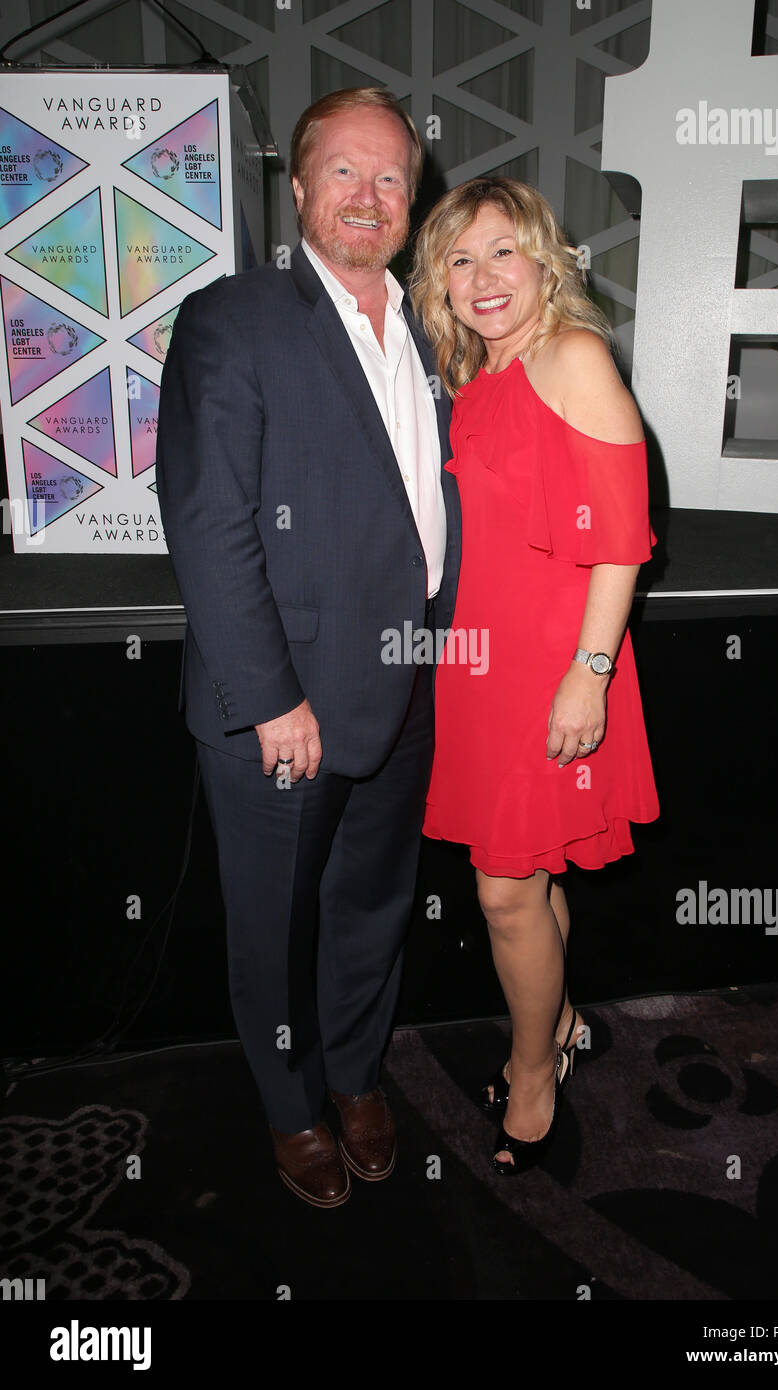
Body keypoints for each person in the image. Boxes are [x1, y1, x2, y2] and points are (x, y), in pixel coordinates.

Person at [155, 88, 460, 1208]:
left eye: (389, 177)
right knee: (275, 926)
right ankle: (291, 1105)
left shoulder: (437, 325)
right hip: (287, 705)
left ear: (412, 196)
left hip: (405, 681)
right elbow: (207, 516)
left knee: (372, 903)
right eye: (344, 173)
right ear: (296, 188)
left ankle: (356, 1071)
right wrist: (271, 696)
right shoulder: (233, 317)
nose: (368, 197)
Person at [409, 177, 659, 1174]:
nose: (482, 277)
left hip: (558, 664)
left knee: (504, 890)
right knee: (531, 865)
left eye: (502, 251)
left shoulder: (573, 355)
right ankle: (553, 1028)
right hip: (483, 663)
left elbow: (626, 543)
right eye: (460, 260)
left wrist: (588, 672)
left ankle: (531, 1072)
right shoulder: (477, 376)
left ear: (544, 259)